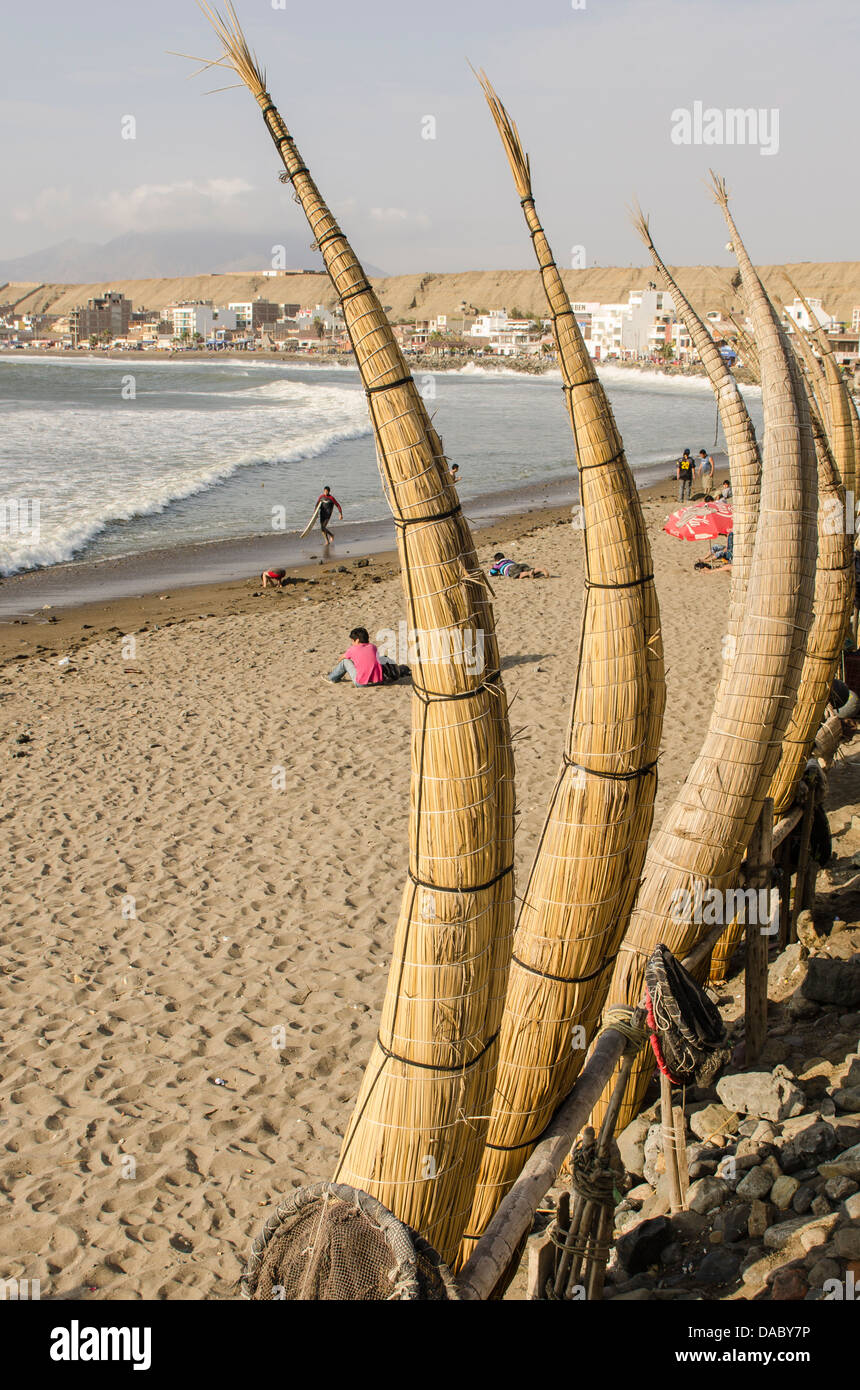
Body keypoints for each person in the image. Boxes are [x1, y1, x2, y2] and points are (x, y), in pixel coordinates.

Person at [326, 627, 409, 686]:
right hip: (378, 681)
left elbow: (341, 658)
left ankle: (332, 678)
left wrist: (344, 660)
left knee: (345, 662)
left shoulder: (352, 649)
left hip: (362, 683)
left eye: (352, 640)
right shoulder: (373, 647)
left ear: (357, 640)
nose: (352, 643)